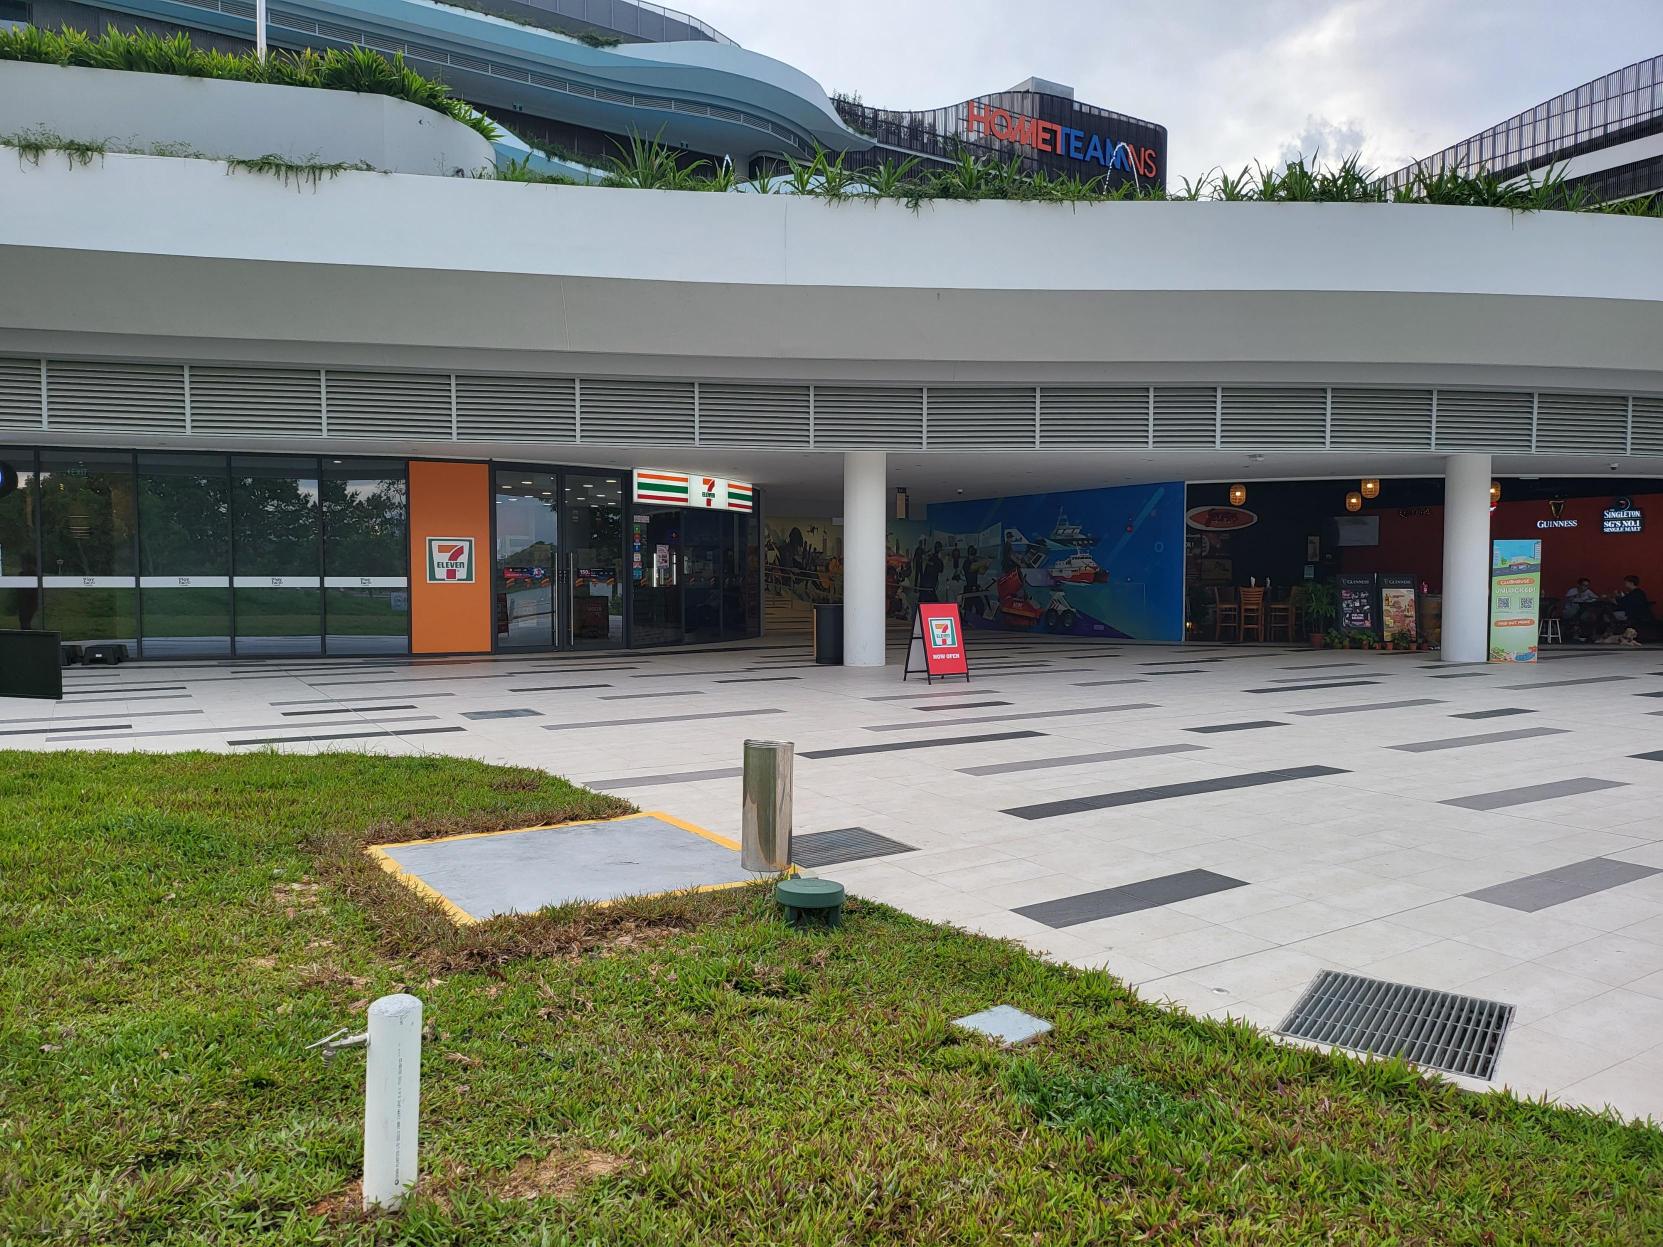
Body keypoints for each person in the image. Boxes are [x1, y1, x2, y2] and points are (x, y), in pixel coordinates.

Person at [1599, 575, 1652, 644]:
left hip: (1631, 614)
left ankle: (1609, 634)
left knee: (1608, 615)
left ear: (1631, 583)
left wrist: (1611, 598)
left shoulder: (1634, 594)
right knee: (1608, 614)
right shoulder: (1638, 593)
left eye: (1626, 582)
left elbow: (1620, 603)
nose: (1625, 584)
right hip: (1636, 614)